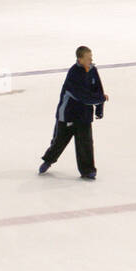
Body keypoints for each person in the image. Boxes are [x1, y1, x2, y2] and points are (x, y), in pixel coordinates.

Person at [38, 46, 109, 180]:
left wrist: (99, 108)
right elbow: (83, 97)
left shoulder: (93, 70)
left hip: (84, 115)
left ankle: (88, 170)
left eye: (91, 57)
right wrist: (100, 98)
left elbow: (98, 90)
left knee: (86, 143)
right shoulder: (74, 74)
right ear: (80, 59)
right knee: (59, 142)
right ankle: (48, 160)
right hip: (68, 115)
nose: (91, 60)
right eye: (88, 58)